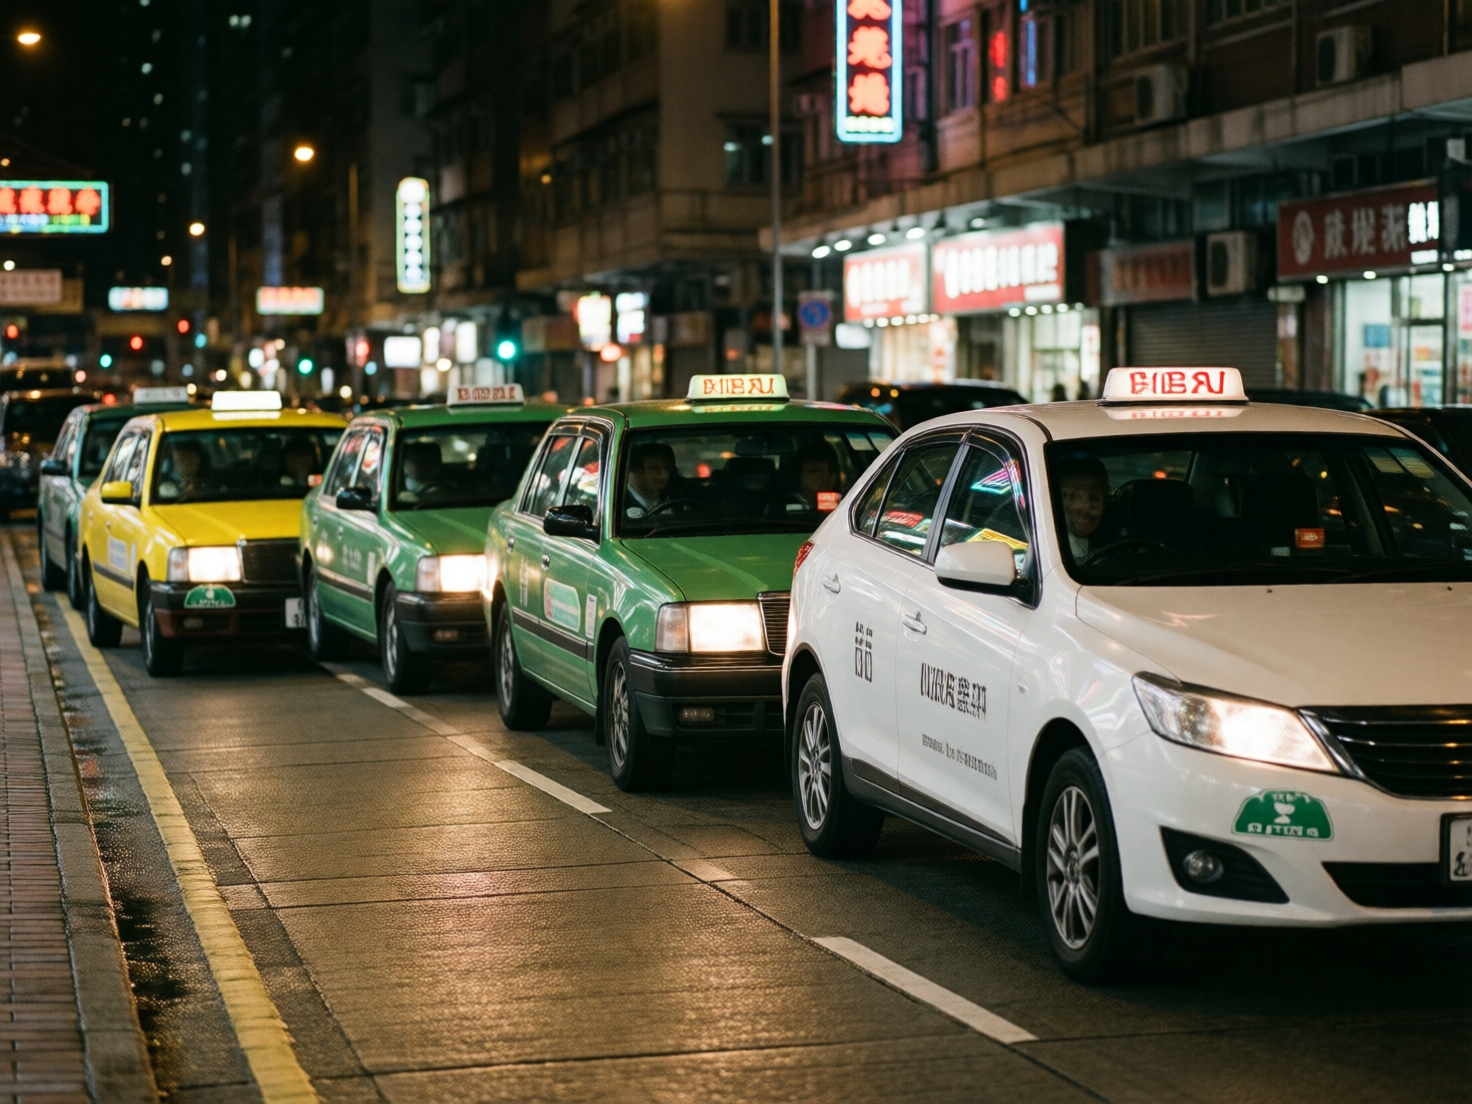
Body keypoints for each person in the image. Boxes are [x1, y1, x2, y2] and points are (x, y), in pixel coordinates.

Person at [1058, 456, 1108, 561]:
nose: (1085, 506)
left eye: (1094, 497)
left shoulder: (1115, 549)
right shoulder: (1045, 550)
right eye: (1074, 496)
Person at [625, 441, 676, 516]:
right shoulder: (619, 503)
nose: (663, 475)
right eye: (654, 469)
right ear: (634, 472)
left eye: (667, 468)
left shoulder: (673, 496)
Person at [790, 441, 840, 511]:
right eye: (814, 471)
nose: (824, 478)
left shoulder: (841, 503)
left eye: (829, 472)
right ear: (799, 475)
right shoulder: (784, 506)